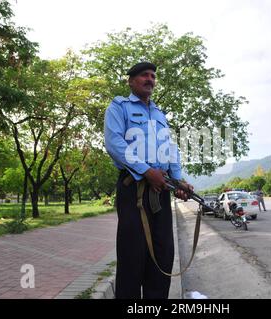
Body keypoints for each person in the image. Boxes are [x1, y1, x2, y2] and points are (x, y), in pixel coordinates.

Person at [104, 62, 193, 299]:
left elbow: (170, 149)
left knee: (163, 255)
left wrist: (178, 181)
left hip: (161, 188)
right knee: (133, 256)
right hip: (133, 189)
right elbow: (114, 144)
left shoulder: (160, 114)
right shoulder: (118, 107)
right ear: (131, 80)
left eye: (153, 76)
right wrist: (145, 171)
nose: (150, 79)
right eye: (144, 75)